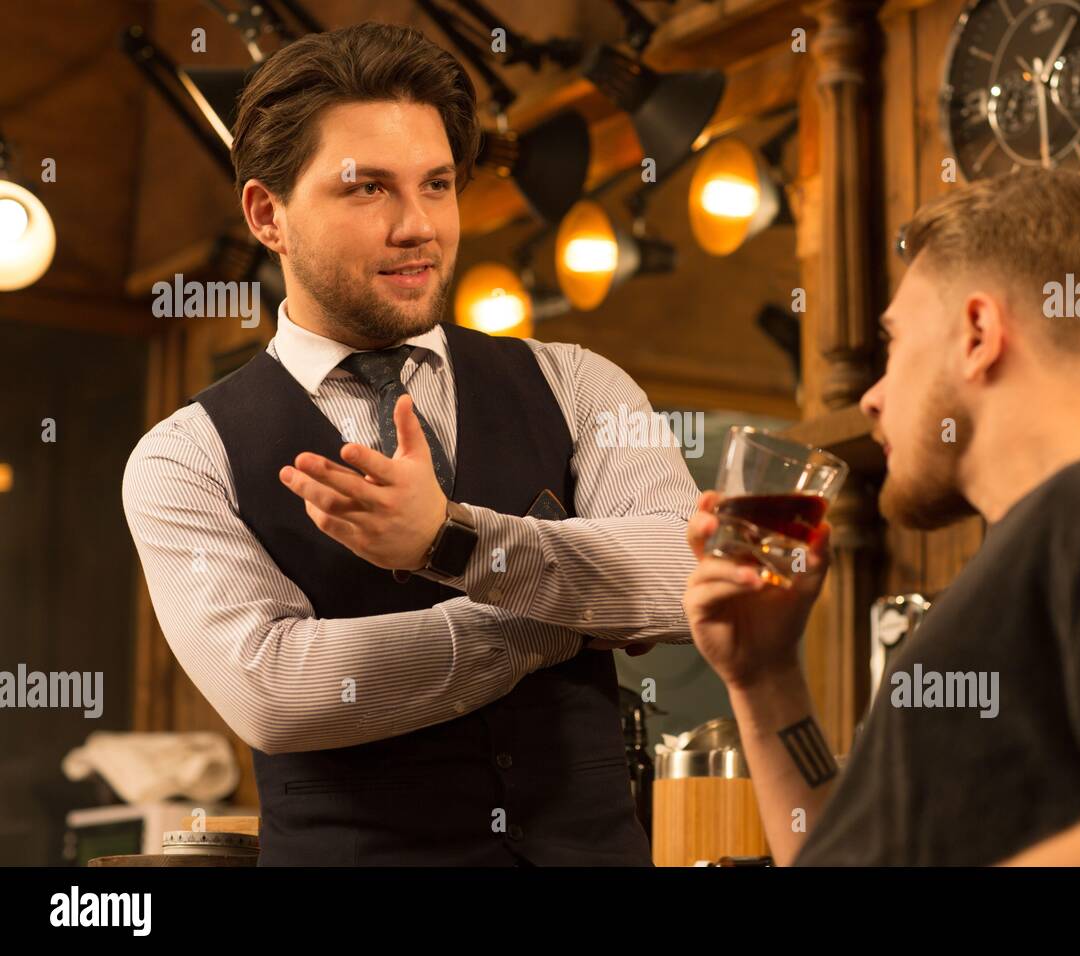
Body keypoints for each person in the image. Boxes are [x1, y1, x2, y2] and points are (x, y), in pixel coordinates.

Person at [122, 22, 695, 866]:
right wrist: (565, 621)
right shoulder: (184, 459)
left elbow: (685, 580)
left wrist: (453, 543)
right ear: (267, 213)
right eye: (368, 190)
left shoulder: (577, 382)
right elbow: (279, 693)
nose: (417, 226)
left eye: (436, 185)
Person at [683, 168, 1080, 866]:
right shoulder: (1034, 564)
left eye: (893, 344)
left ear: (977, 332)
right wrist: (763, 679)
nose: (873, 399)